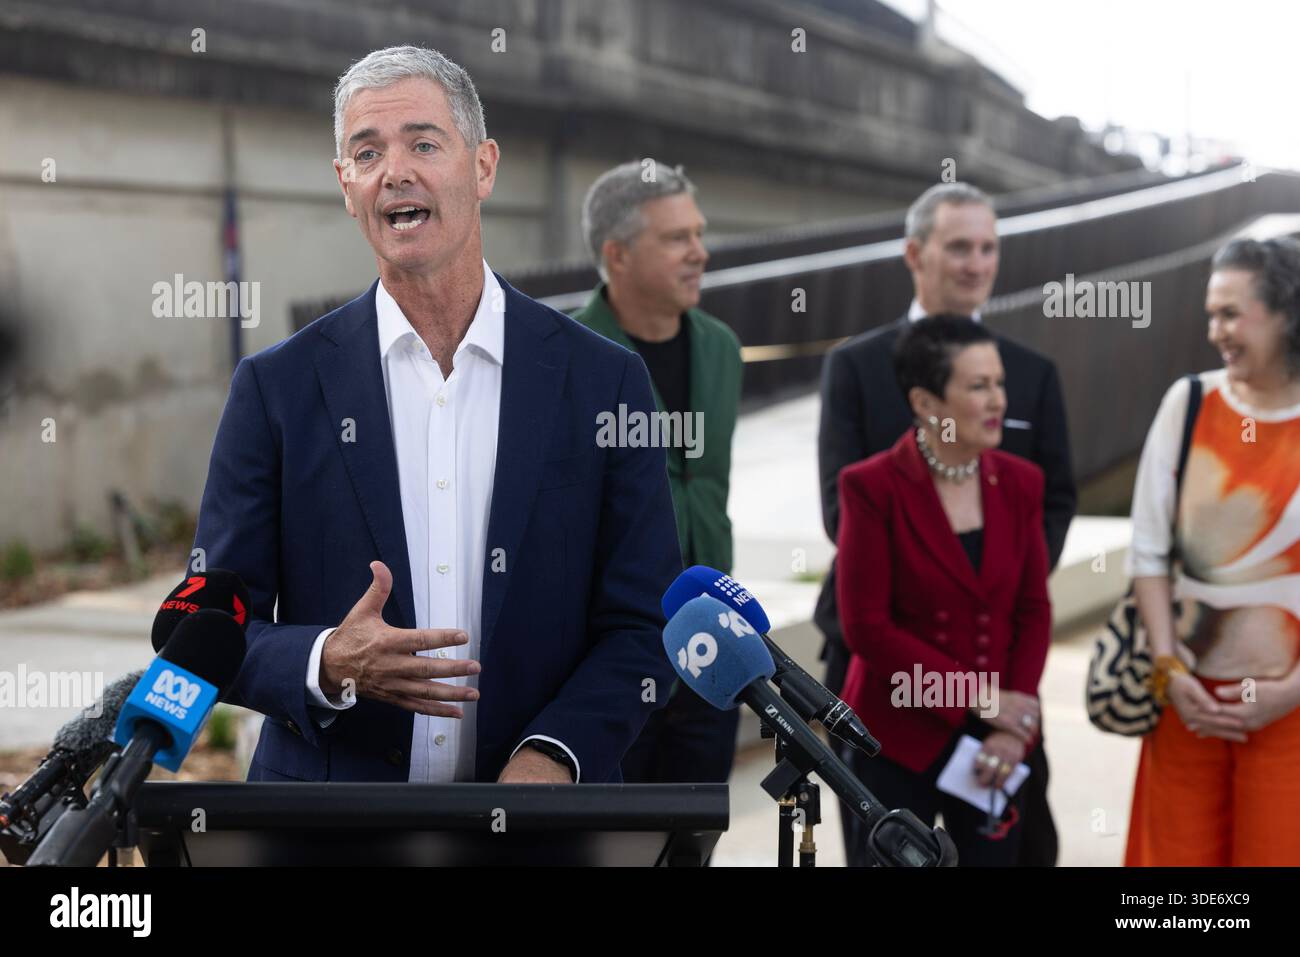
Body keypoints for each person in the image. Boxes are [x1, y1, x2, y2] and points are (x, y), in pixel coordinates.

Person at [192, 45, 681, 784]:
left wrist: (557, 752)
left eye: (423, 142)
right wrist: (325, 660)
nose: (396, 170)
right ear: (345, 185)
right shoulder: (276, 389)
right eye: (367, 151)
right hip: (328, 835)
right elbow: (209, 626)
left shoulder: (604, 381)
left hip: (538, 837)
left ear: (483, 166)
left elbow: (643, 623)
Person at [816, 182, 1074, 865]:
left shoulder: (1030, 371)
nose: (976, 262)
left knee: (1024, 850)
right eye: (959, 246)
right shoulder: (857, 364)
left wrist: (1002, 668)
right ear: (915, 252)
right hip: (888, 673)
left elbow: (1052, 507)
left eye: (989, 247)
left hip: (1000, 673)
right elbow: (842, 515)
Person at [836, 315, 1052, 866]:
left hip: (995, 742)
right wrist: (982, 701)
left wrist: (1014, 727)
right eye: (978, 386)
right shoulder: (870, 486)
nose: (998, 400)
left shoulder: (1021, 482)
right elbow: (867, 628)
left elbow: (1033, 610)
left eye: (999, 383)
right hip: (891, 737)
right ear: (927, 403)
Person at [1126, 237, 1300, 865]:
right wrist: (1169, 671)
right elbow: (1146, 552)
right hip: (1186, 708)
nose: (1215, 331)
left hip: (1291, 715)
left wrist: (1293, 691)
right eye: (1210, 314)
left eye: (1231, 314)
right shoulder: (1189, 402)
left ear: (1285, 312)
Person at [572, 160, 744, 784]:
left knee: (695, 842)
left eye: (698, 234)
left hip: (714, 655)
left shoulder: (722, 345)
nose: (699, 253)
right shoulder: (565, 357)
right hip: (606, 665)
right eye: (677, 239)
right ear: (617, 255)